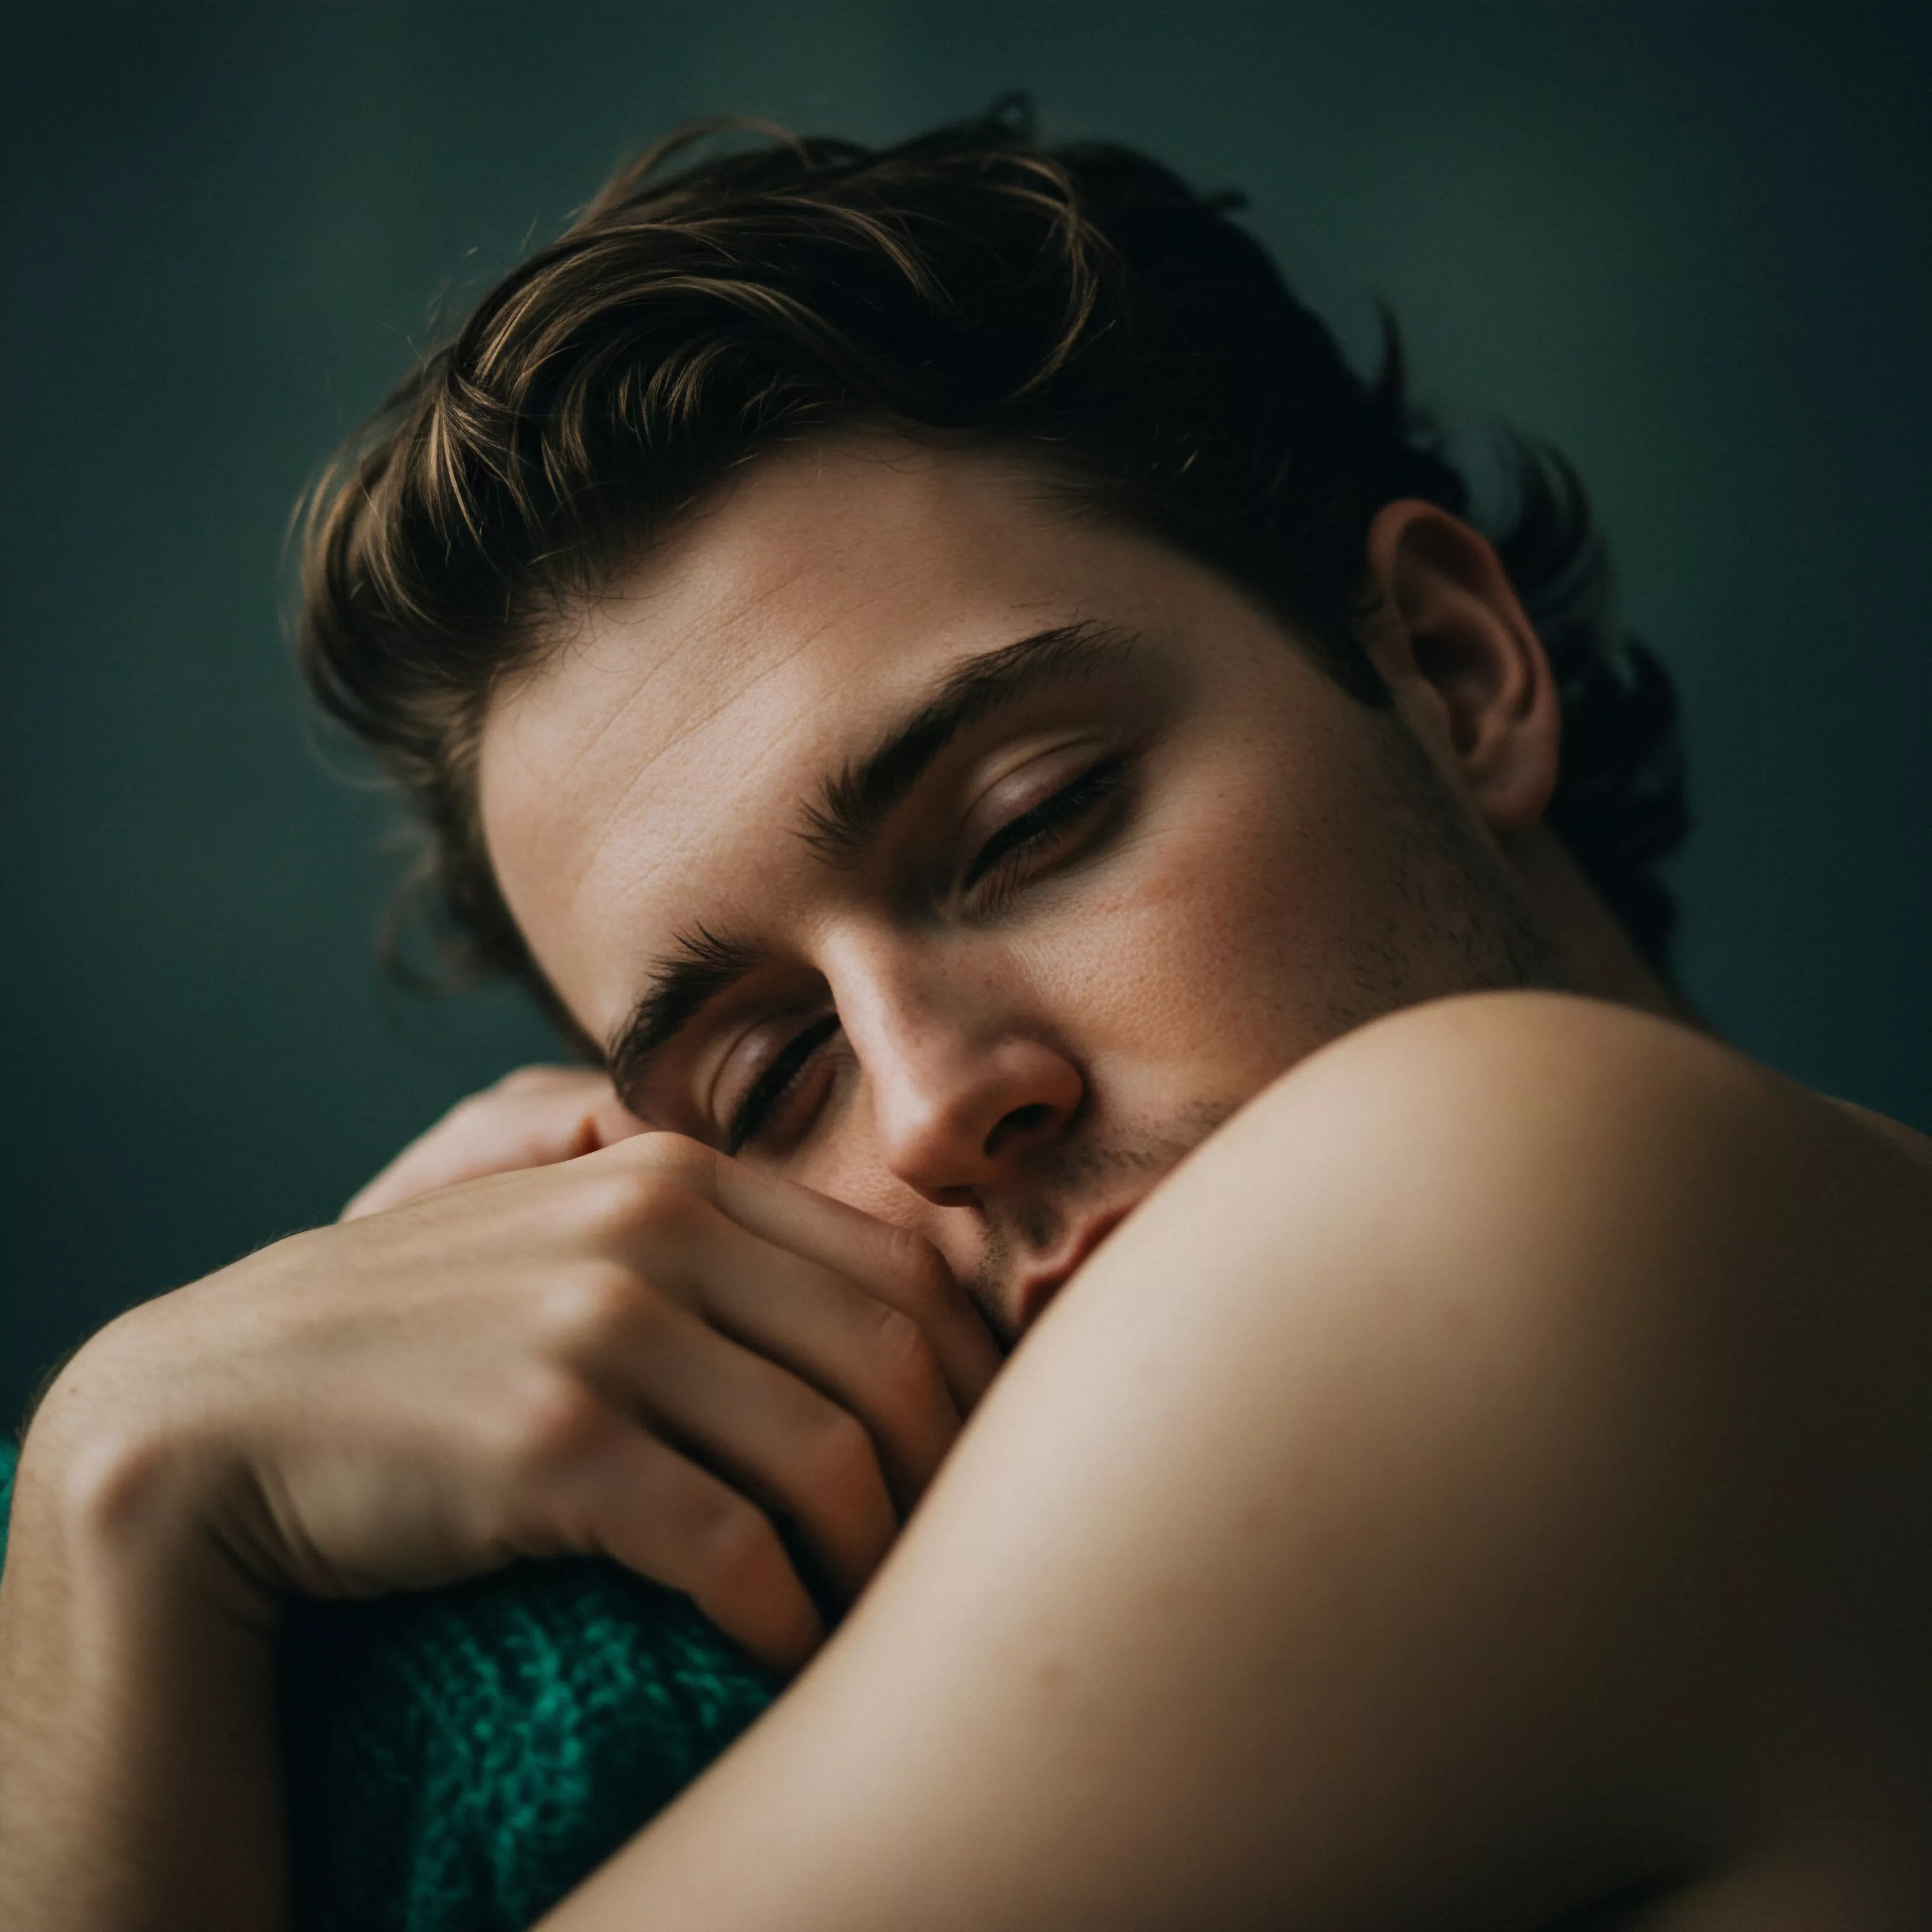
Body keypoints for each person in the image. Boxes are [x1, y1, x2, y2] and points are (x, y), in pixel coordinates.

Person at [2, 102, 1928, 1931]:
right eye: (772, 1077)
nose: (929, 1109)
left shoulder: (1559, 1192)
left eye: (1034, 822)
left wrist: (132, 1528)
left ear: (1448, 664)